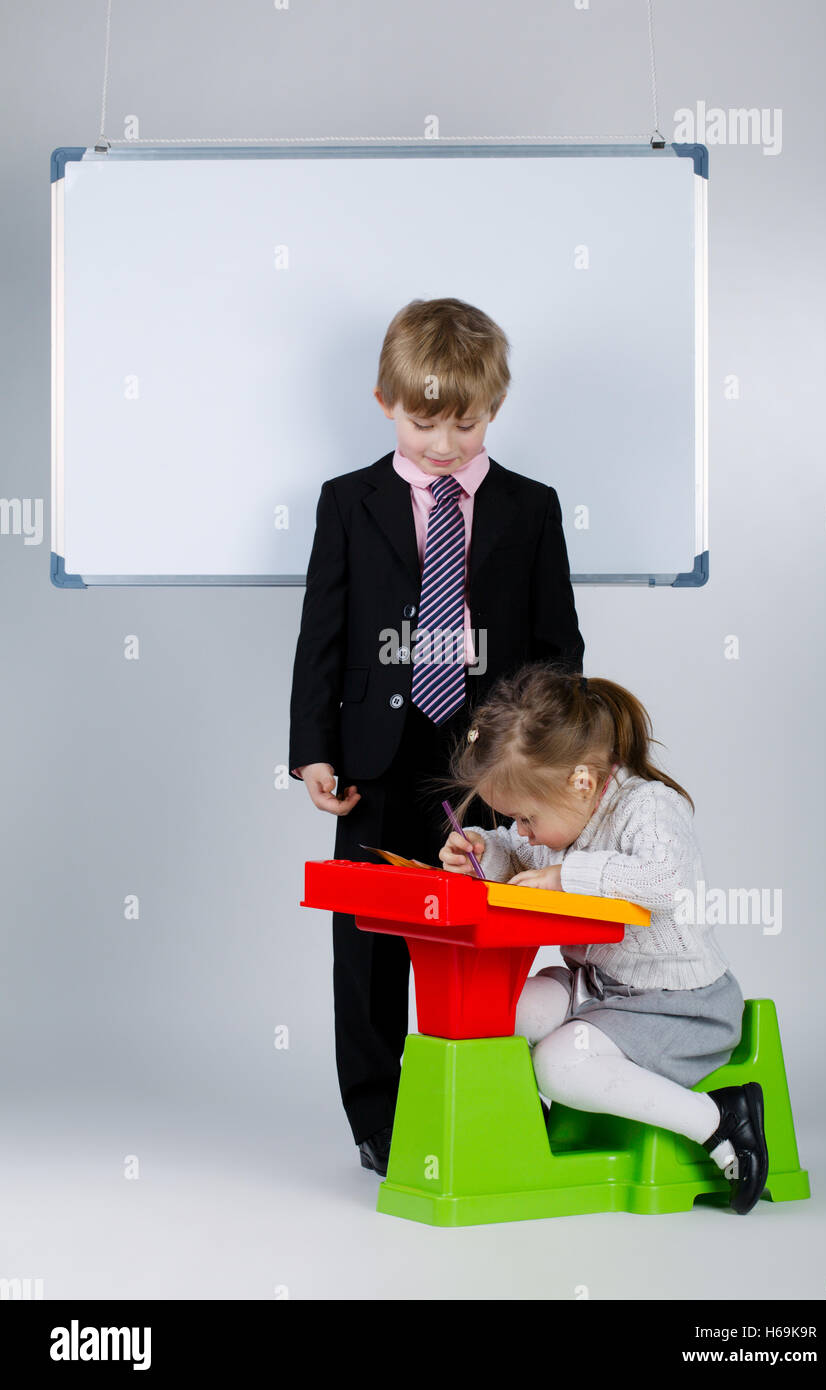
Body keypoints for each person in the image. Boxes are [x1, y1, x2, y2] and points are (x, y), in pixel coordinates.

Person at [288, 298, 585, 1174]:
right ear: (385, 400)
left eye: (466, 422)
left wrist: (544, 760)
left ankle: (494, 1092)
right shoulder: (348, 502)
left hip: (486, 764)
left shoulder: (530, 508)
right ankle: (379, 1123)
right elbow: (323, 635)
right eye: (425, 423)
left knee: (484, 930)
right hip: (375, 764)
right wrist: (312, 748)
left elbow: (557, 645)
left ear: (493, 407)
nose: (445, 444)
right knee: (371, 942)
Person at [438, 661, 769, 1215]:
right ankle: (524, 1125)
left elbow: (663, 882)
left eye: (524, 817)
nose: (520, 829)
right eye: (511, 819)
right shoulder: (562, 812)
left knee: (559, 1063)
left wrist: (567, 876)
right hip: (598, 988)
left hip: (679, 1009)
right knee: (500, 1010)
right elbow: (522, 853)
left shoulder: (649, 807)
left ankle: (718, 1119)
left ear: (582, 781)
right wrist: (483, 850)